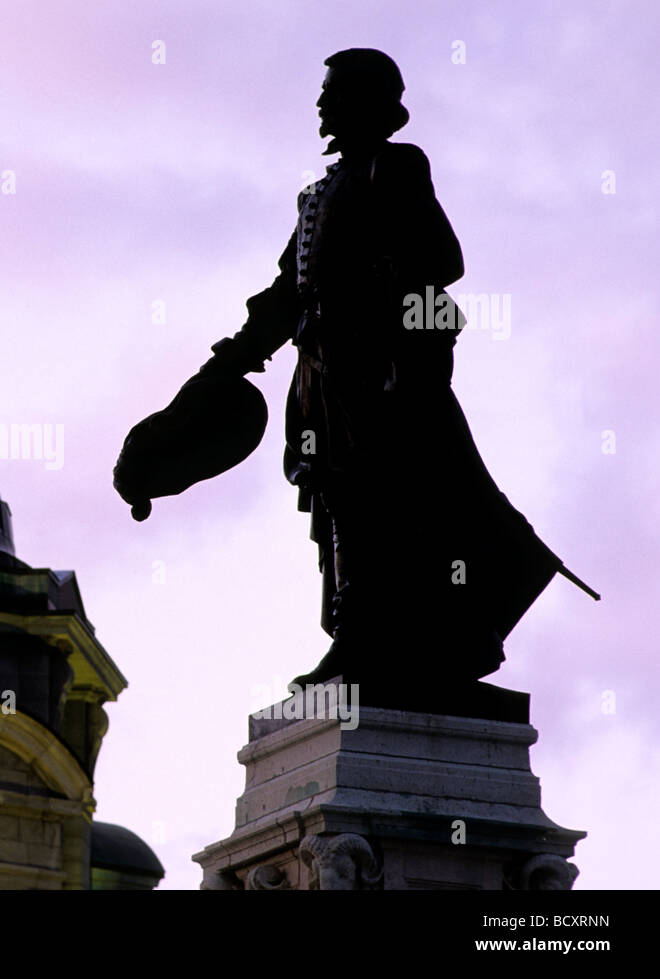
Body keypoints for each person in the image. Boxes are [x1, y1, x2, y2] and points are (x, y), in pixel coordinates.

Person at [115, 49, 573, 687]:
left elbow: (441, 261)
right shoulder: (316, 194)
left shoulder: (398, 167)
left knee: (393, 499)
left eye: (333, 92)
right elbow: (285, 293)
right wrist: (235, 359)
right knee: (339, 499)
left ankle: (384, 634)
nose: (322, 104)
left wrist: (406, 361)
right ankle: (360, 631)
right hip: (321, 371)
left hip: (378, 366)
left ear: (368, 101)